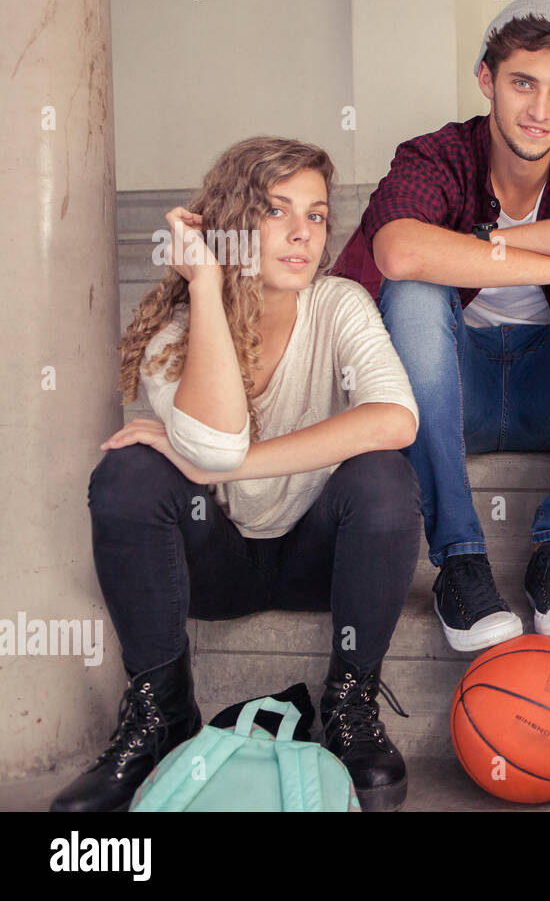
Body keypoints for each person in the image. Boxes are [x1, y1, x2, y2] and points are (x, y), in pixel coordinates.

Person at [50, 137, 423, 813]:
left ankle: (350, 701)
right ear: (230, 224)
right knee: (128, 473)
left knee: (384, 477)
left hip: (321, 557)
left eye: (315, 215)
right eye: (276, 210)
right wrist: (205, 286)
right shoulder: (177, 330)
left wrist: (235, 459)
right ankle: (160, 711)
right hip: (213, 561)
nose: (301, 233)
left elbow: (396, 418)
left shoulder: (340, 304)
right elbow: (215, 446)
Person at [331, 0, 550, 652]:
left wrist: (508, 245)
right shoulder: (436, 157)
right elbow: (397, 248)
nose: (541, 111)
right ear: (487, 80)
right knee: (412, 290)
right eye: (523, 84)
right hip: (455, 394)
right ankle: (459, 558)